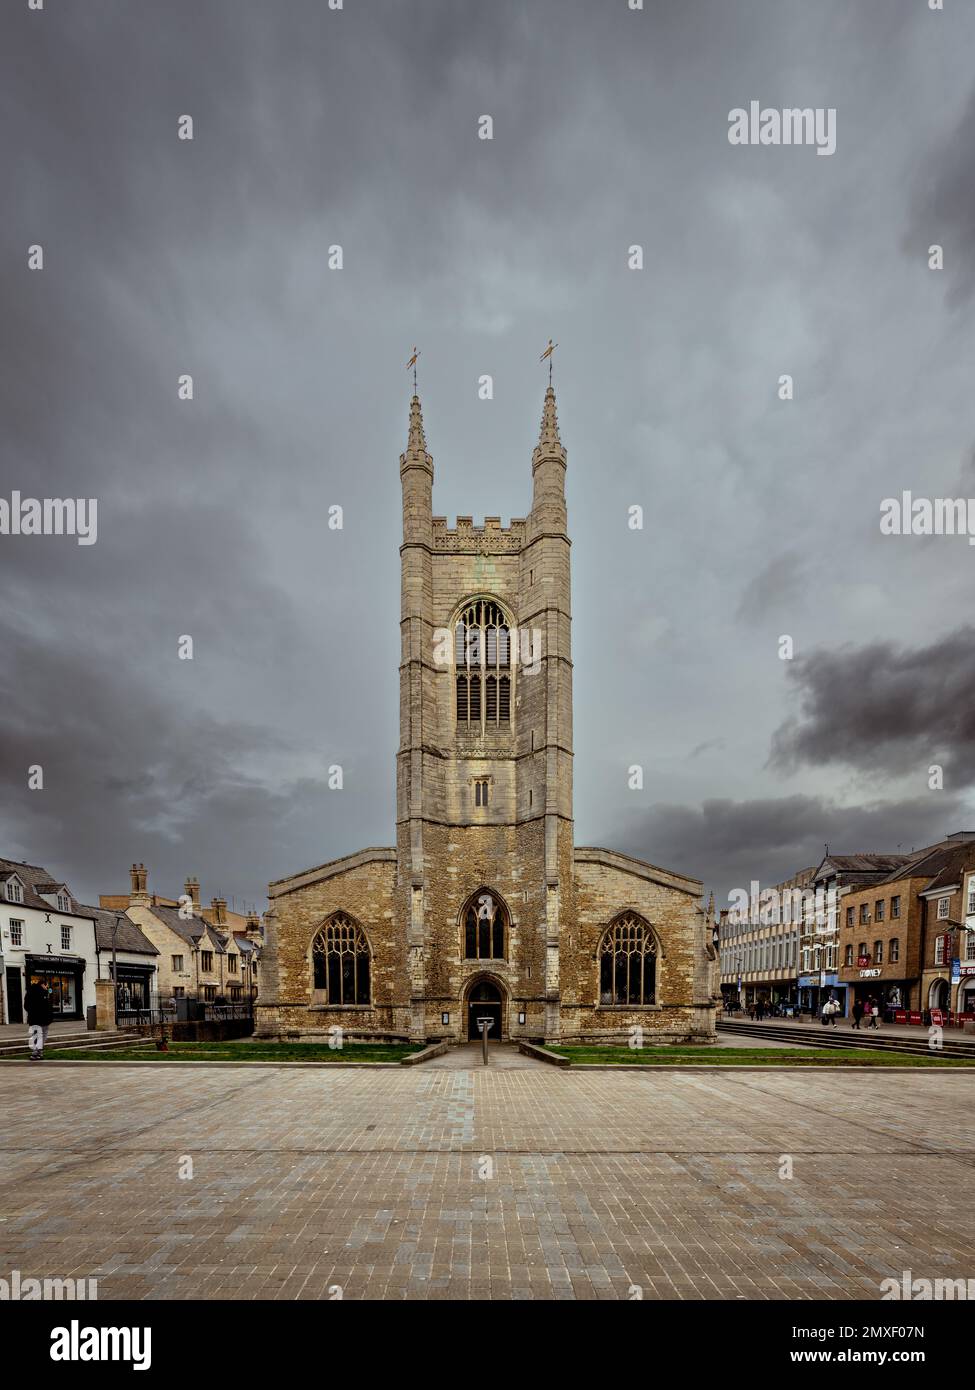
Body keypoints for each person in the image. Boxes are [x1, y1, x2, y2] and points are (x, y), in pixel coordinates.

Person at [24, 979, 53, 1060]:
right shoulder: (43, 992)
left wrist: (31, 1012)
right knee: (42, 1035)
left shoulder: (29, 992)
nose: (46, 987)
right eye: (46, 986)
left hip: (32, 1018)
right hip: (42, 1018)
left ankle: (39, 1053)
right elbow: (46, 1006)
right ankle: (35, 1053)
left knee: (35, 1036)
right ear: (43, 985)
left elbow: (26, 1006)